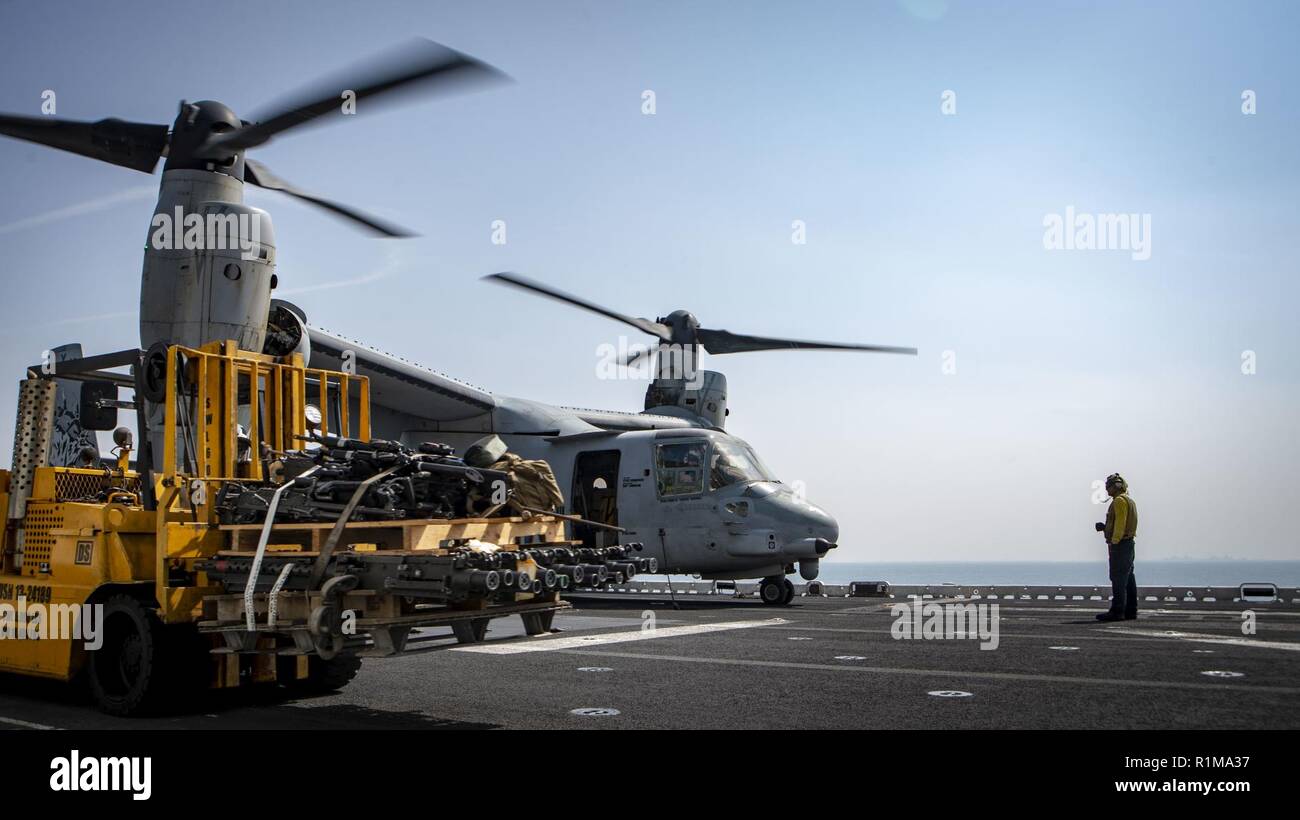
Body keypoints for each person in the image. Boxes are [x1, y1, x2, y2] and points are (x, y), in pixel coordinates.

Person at [1097, 473, 1138, 622]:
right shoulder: (1129, 501)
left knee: (1118, 578)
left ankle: (1117, 610)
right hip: (1128, 543)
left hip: (1120, 545)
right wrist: (1105, 527)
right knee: (1128, 578)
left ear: (1116, 486)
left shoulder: (1119, 501)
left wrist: (1114, 541)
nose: (1107, 489)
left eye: (1109, 486)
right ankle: (1131, 610)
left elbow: (1121, 522)